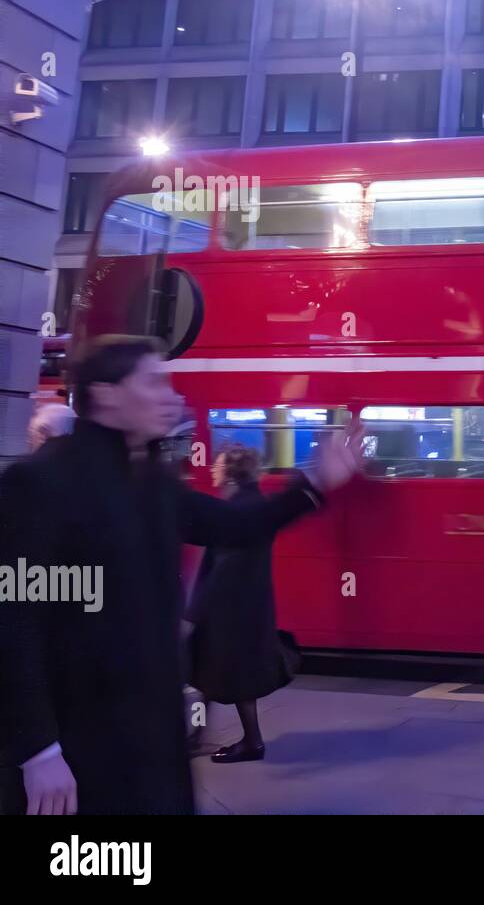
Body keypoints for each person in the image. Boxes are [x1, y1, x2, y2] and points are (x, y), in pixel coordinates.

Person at [0, 336, 362, 815]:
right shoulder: (40, 484)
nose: (170, 395)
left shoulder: (150, 482)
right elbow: (16, 624)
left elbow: (236, 525)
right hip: (79, 749)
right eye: (153, 381)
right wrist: (38, 751)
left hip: (151, 745)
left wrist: (312, 486)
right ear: (108, 395)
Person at [185, 445, 286, 764]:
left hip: (230, 611)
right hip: (241, 607)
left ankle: (248, 741)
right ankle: (201, 736)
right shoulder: (249, 503)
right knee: (211, 676)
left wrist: (193, 613)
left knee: (218, 676)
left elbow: (223, 568)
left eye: (217, 465)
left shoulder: (241, 509)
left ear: (231, 471)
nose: (212, 469)